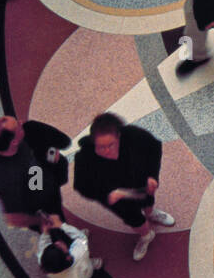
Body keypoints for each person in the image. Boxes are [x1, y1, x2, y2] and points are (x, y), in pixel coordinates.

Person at [72, 112, 173, 261]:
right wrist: (107, 193)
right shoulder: (84, 158)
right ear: (93, 142)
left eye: (111, 145)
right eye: (101, 147)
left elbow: (154, 147)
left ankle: (151, 213)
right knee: (134, 219)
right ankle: (146, 236)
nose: (107, 151)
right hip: (114, 197)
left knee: (147, 200)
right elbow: (81, 186)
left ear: (119, 136)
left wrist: (152, 175)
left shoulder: (133, 135)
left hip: (140, 183)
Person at [0, 115, 72, 232]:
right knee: (57, 229)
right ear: (14, 141)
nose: (21, 122)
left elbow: (61, 143)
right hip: (39, 204)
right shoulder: (4, 179)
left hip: (45, 182)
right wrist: (42, 220)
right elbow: (13, 218)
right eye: (19, 126)